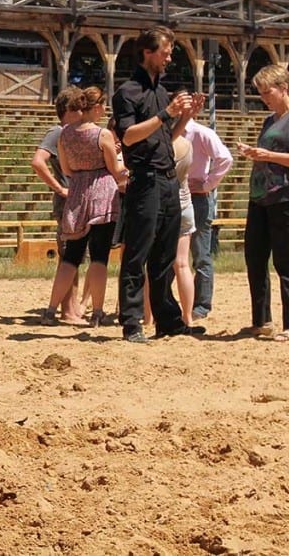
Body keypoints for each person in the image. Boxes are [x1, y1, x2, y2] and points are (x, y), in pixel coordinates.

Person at [111, 26, 203, 343]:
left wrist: (186, 116)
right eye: (164, 51)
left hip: (168, 181)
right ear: (147, 52)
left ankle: (169, 321)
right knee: (136, 254)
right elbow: (129, 135)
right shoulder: (127, 93)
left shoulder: (162, 93)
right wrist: (166, 113)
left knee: (164, 256)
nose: (169, 57)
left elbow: (168, 137)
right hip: (145, 182)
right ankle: (132, 322)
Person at [237, 64, 289, 342]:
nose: (263, 97)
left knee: (287, 260)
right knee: (255, 258)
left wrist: (268, 155)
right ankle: (262, 320)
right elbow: (270, 154)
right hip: (260, 197)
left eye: (267, 91)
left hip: (286, 197)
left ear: (283, 88)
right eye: (259, 92)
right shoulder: (269, 120)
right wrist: (255, 153)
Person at [40, 86, 124, 328]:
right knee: (99, 257)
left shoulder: (65, 134)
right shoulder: (103, 135)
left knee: (71, 257)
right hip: (102, 194)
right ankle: (97, 312)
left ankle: (50, 310)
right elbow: (114, 169)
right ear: (96, 107)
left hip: (76, 193)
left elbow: (66, 169)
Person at [31, 86, 85, 324]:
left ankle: (72, 308)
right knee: (68, 256)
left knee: (74, 257)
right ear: (69, 110)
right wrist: (61, 188)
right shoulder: (58, 132)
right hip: (67, 204)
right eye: (79, 108)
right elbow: (38, 162)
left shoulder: (71, 133)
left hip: (75, 204)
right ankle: (67, 311)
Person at [184, 120, 233, 319]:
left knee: (201, 254)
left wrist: (207, 185)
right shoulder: (169, 130)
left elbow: (225, 158)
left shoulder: (201, 133)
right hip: (176, 195)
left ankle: (201, 305)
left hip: (197, 197)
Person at [171, 134, 197, 327]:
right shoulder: (186, 144)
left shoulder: (159, 144)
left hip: (165, 205)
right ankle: (187, 316)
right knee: (183, 264)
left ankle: (148, 316)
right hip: (185, 203)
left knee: (152, 266)